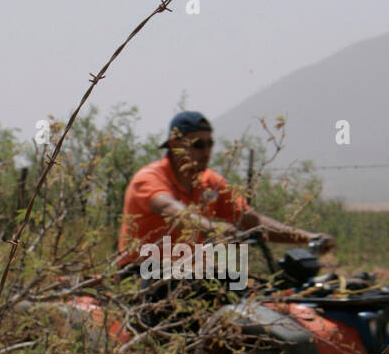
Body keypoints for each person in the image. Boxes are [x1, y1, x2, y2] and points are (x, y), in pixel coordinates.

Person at [118, 110, 334, 268]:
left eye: (210, 144)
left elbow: (252, 221)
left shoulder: (210, 182)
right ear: (175, 146)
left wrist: (308, 237)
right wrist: (215, 229)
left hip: (188, 275)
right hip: (142, 274)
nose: (206, 151)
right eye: (198, 145)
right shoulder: (149, 179)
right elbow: (172, 210)